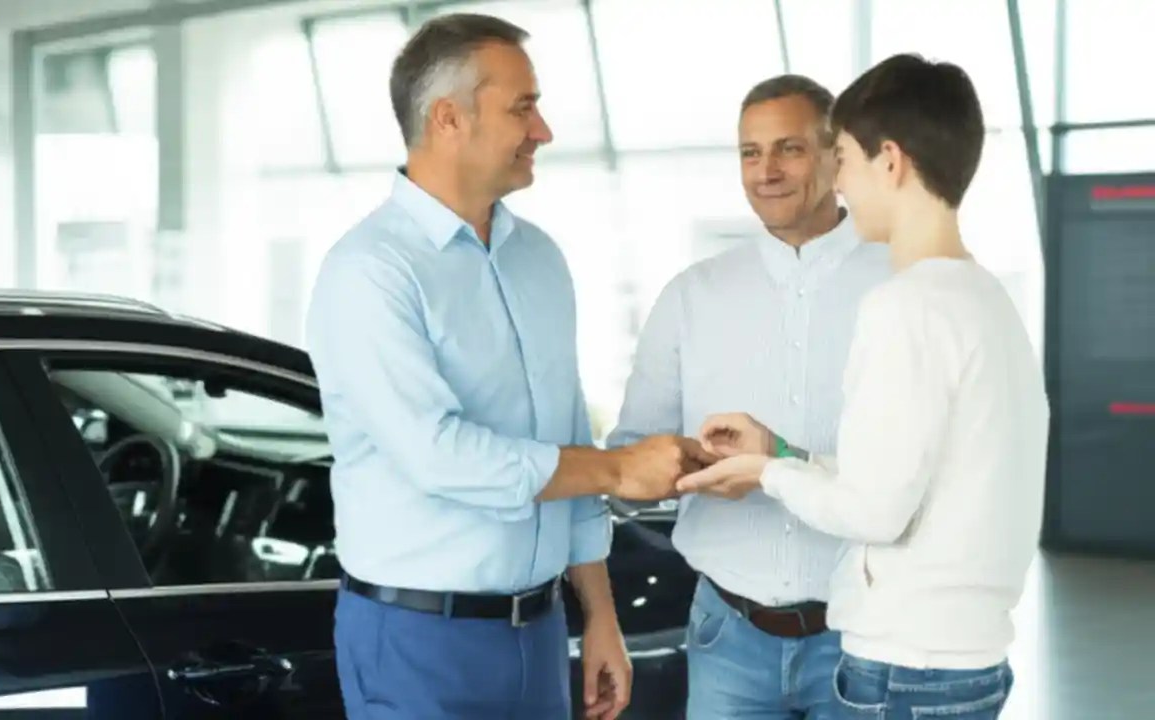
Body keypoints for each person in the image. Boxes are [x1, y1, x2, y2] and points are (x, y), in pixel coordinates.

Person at [305, 13, 715, 720]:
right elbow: (441, 456)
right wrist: (619, 470)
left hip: (539, 633)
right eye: (523, 107)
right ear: (447, 119)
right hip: (415, 639)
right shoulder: (369, 272)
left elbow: (561, 438)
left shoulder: (540, 260)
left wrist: (601, 616)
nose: (544, 131)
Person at [680, 54, 1049, 719]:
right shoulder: (982, 297)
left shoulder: (904, 306)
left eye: (842, 157)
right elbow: (903, 478)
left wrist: (765, 472)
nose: (839, 183)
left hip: (904, 670)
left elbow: (873, 513)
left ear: (890, 161)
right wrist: (786, 454)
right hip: (962, 662)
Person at [606, 75, 890, 718]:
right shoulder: (690, 296)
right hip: (726, 635)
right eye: (749, 152)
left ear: (835, 157)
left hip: (869, 635)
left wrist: (776, 466)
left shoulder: (900, 285)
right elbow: (629, 463)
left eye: (788, 148)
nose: (767, 171)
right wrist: (679, 464)